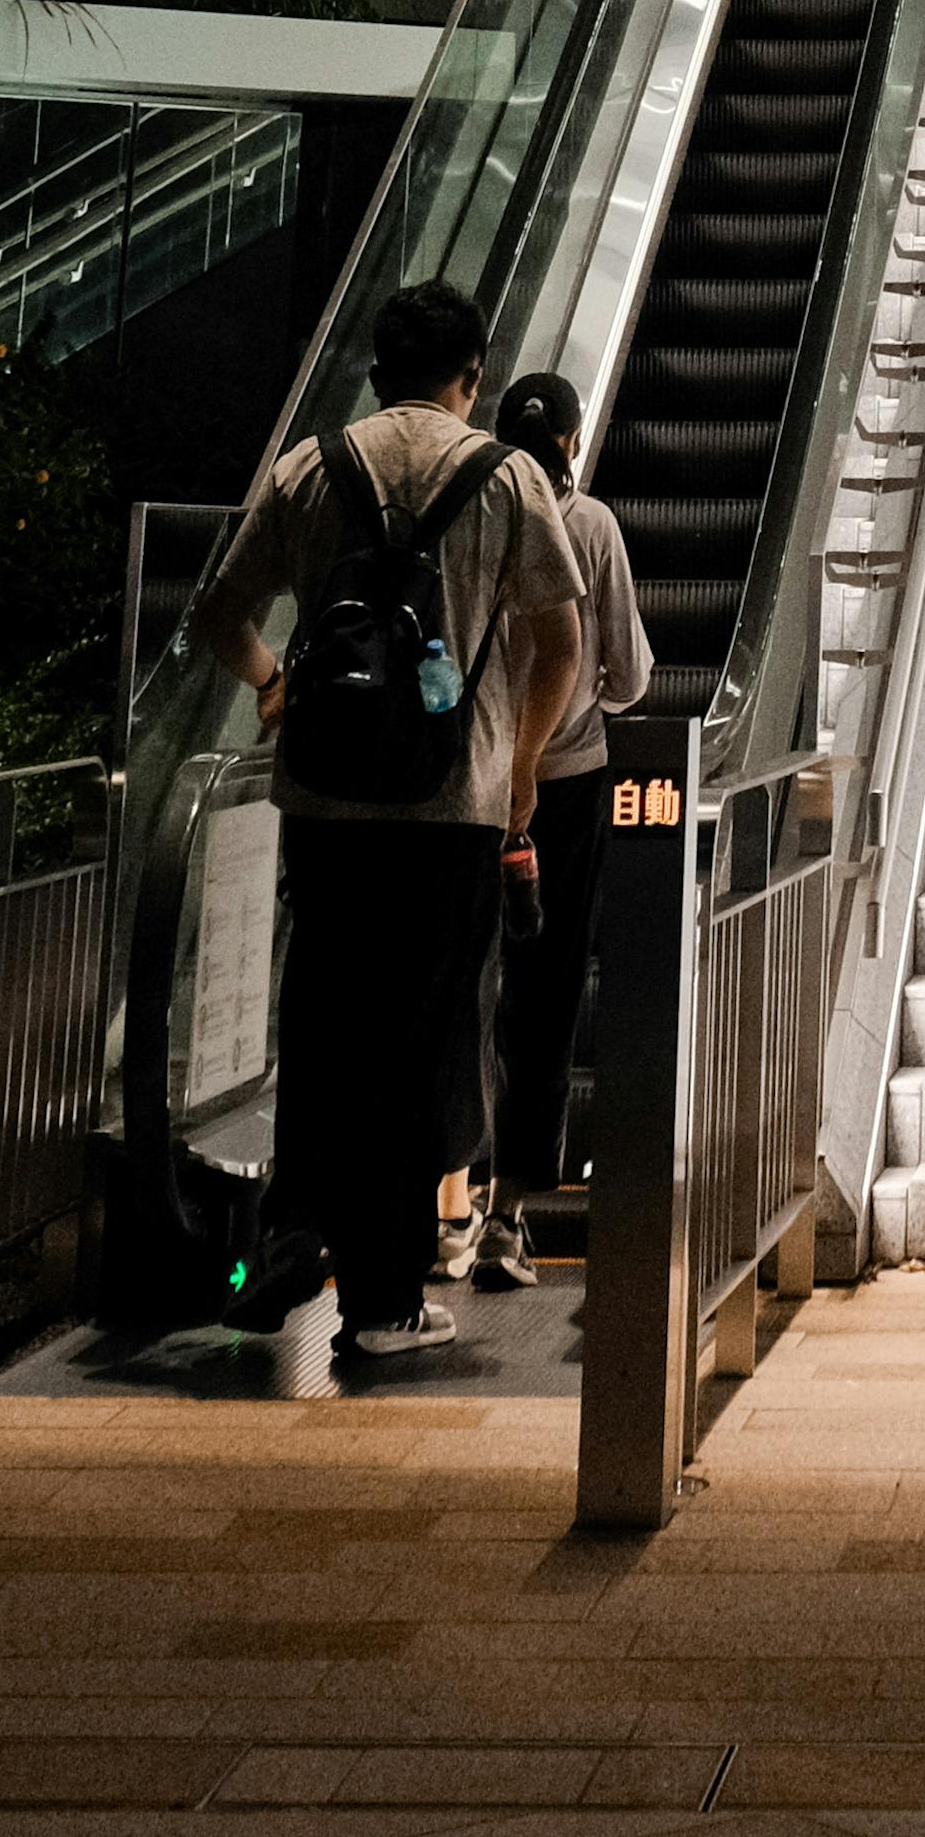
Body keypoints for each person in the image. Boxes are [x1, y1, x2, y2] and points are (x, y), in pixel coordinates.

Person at [198, 277, 584, 1360]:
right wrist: (521, 770)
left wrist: (276, 684)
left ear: (375, 371)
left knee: (323, 1016)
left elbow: (216, 614)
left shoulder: (311, 466)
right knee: (424, 1034)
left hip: (324, 801)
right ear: (473, 379)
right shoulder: (508, 477)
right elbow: (559, 644)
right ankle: (383, 1296)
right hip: (450, 806)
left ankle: (293, 1225)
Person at [467, 371, 650, 1291]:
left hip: (462, 790)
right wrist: (581, 712)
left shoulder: (474, 519)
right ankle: (507, 1216)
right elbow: (631, 676)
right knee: (542, 999)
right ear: (573, 441)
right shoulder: (592, 527)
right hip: (564, 792)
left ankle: (433, 1203)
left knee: (458, 983)